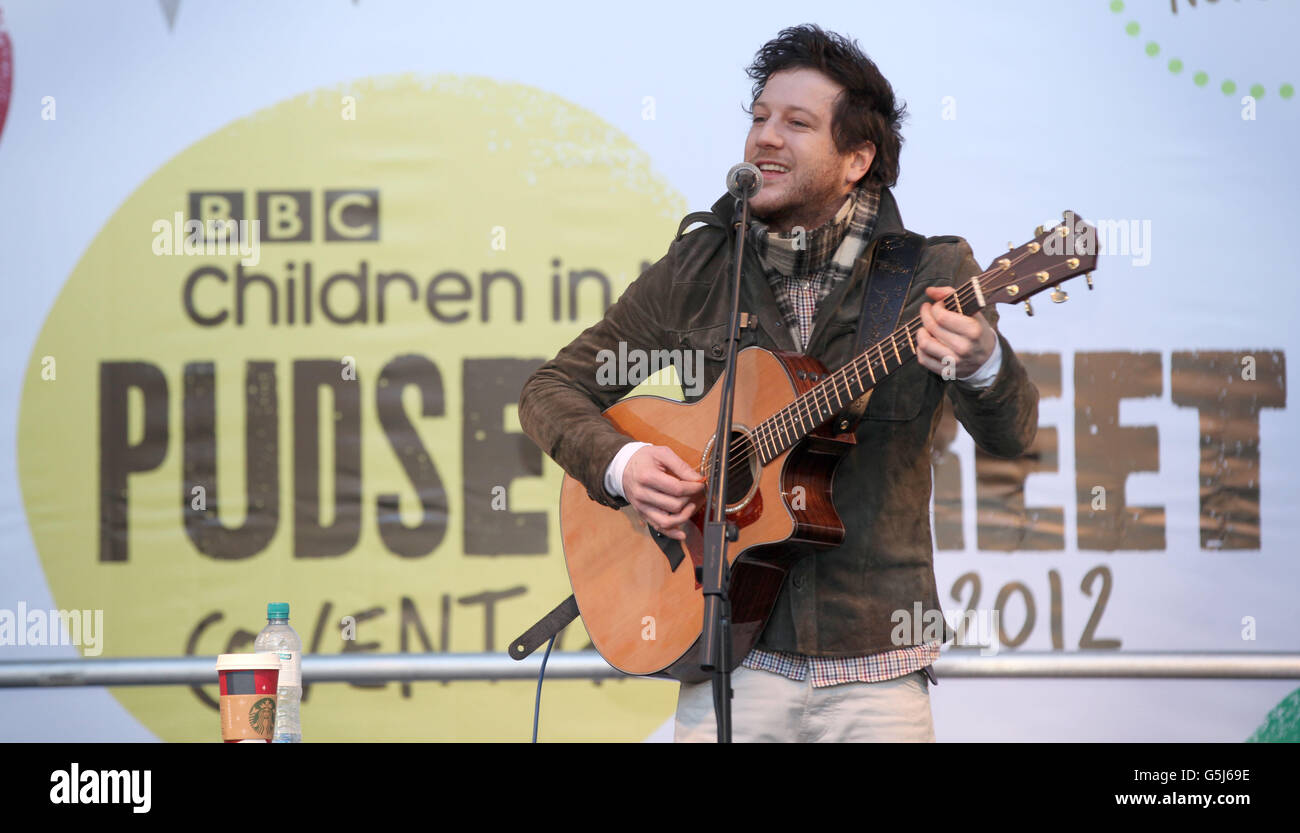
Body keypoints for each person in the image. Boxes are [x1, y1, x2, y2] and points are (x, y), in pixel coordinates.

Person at [518, 24, 1038, 742]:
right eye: (759, 117)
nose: (765, 137)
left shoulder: (929, 273)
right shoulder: (700, 267)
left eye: (797, 123)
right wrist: (624, 465)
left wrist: (982, 360)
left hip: (876, 667)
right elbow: (551, 391)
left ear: (857, 158)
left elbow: (1014, 434)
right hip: (729, 657)